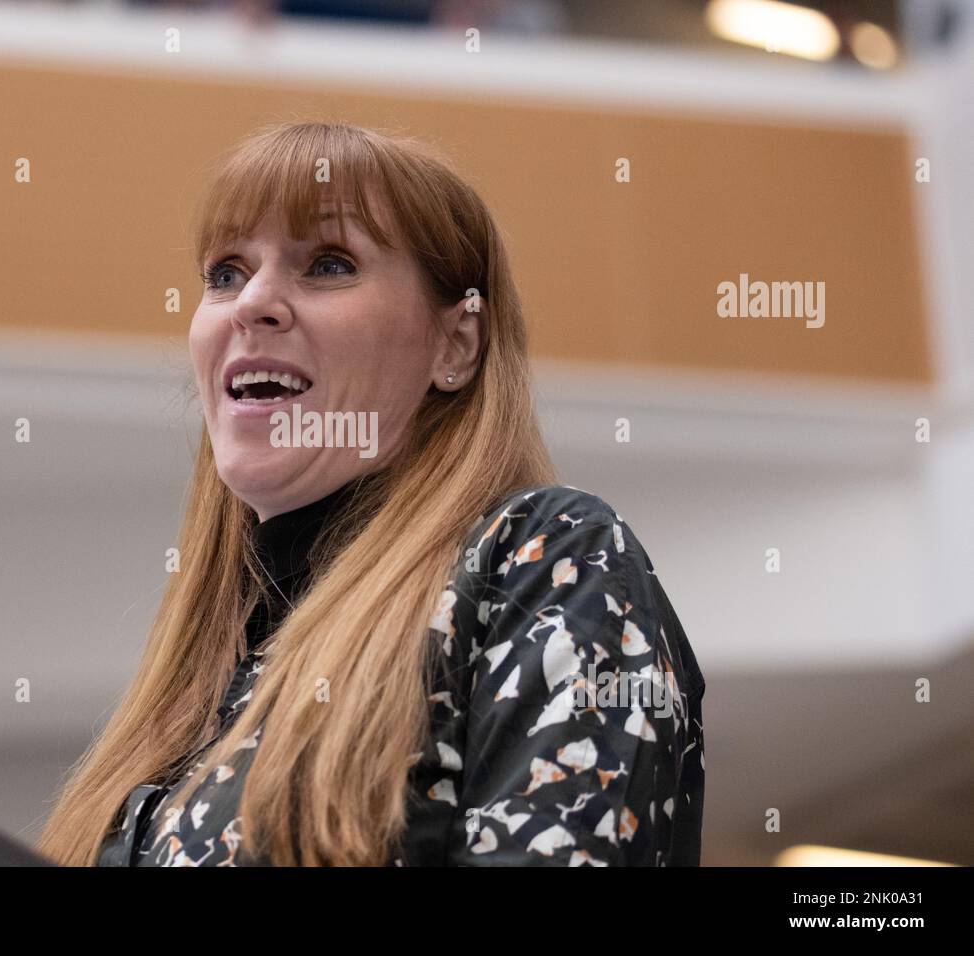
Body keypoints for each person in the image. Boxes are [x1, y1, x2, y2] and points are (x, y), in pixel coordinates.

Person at [39, 121, 706, 866]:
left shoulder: (543, 560)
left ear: (455, 344)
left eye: (327, 263)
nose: (251, 302)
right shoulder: (198, 684)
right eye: (225, 272)